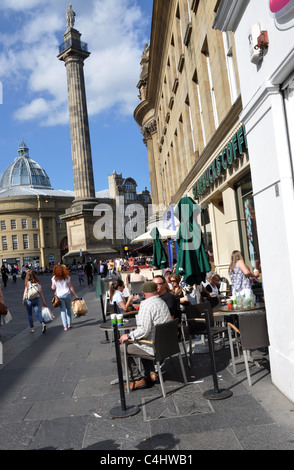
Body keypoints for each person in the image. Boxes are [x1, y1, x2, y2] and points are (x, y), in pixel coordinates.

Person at [120, 281, 171, 391]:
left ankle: (136, 378)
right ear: (156, 290)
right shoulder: (162, 302)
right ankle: (151, 373)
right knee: (140, 339)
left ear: (143, 293)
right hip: (166, 345)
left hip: (154, 348)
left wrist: (129, 335)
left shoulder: (146, 305)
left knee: (123, 347)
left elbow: (144, 330)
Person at [51, 264, 79, 331]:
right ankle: (69, 324)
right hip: (67, 294)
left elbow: (53, 288)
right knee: (68, 309)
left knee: (62, 311)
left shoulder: (54, 278)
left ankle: (65, 326)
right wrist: (75, 295)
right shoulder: (66, 276)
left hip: (60, 295)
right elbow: (70, 287)